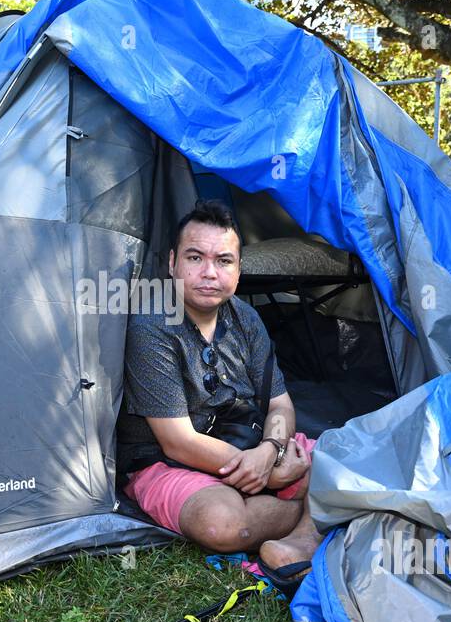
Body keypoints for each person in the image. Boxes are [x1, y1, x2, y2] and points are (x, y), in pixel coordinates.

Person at [116, 199, 323, 580]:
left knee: (341, 454)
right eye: (195, 258)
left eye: (224, 261)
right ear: (172, 263)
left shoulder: (245, 317)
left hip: (249, 444)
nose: (209, 273)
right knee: (222, 524)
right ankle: (316, 515)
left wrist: (270, 451)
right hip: (166, 462)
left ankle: (302, 534)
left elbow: (281, 405)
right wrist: (269, 475)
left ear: (239, 270)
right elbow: (177, 441)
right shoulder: (152, 326)